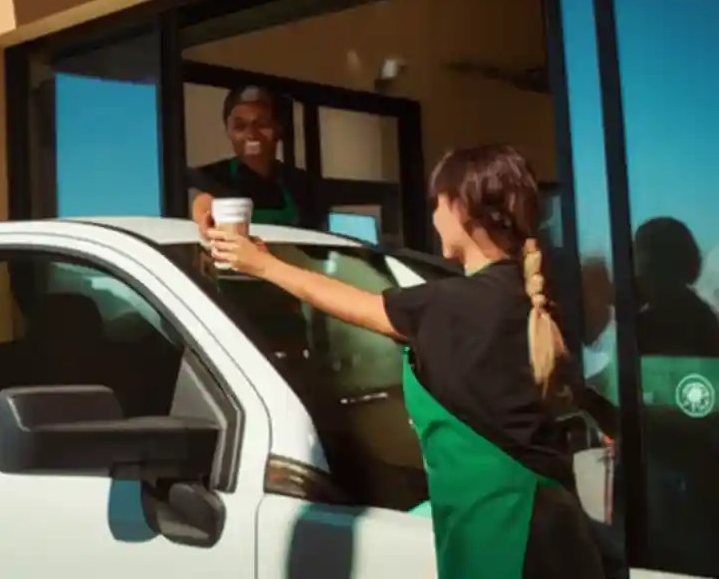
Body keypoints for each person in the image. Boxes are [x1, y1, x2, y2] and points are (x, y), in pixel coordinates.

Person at [210, 144, 605, 579]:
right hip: (551, 521)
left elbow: (352, 303)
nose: (434, 217)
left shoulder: (453, 304)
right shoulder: (522, 295)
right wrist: (276, 258)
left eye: (438, 204)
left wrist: (263, 267)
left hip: (506, 536)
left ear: (462, 208)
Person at [189, 86, 302, 235]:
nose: (251, 134)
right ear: (228, 131)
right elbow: (203, 204)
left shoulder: (299, 182)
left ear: (278, 129)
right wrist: (205, 217)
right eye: (240, 126)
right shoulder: (210, 178)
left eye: (261, 124)